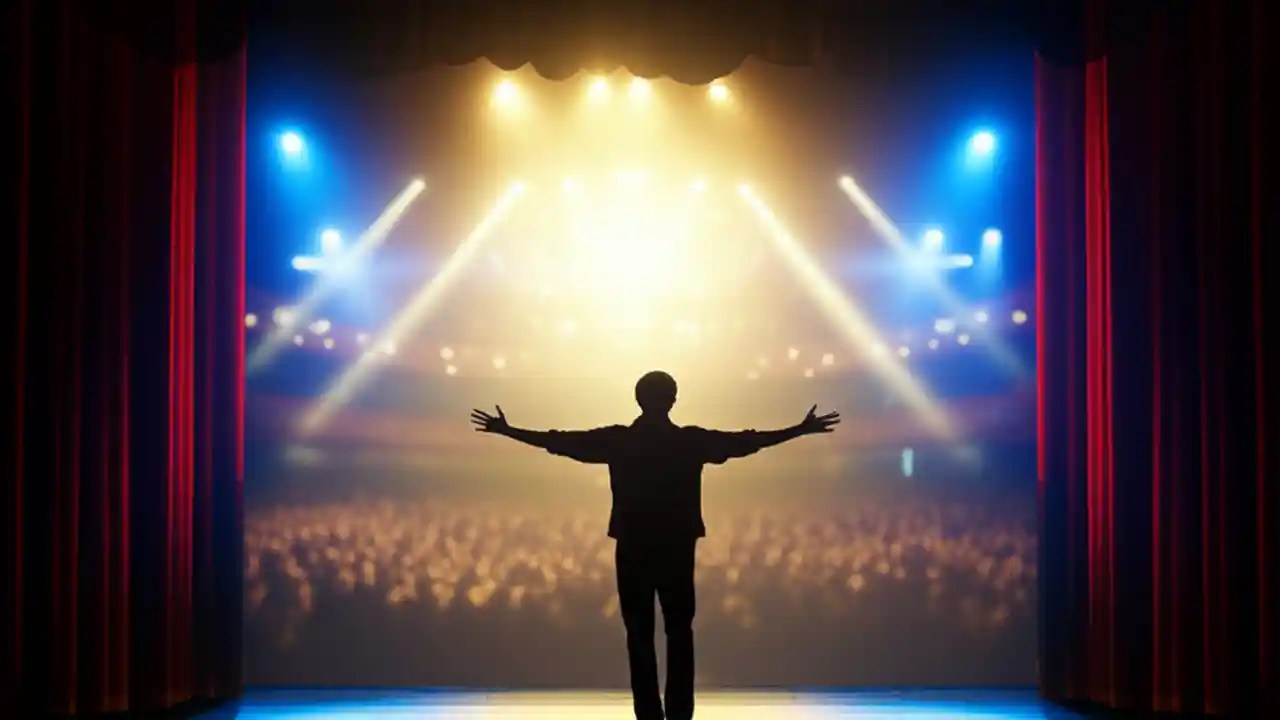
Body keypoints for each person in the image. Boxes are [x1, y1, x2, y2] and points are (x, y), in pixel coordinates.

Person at [470, 370, 839, 720]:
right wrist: (799, 430)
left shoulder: (620, 440)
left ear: (638, 399)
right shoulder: (689, 441)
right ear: (673, 399)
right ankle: (679, 714)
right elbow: (746, 441)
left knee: (638, 633)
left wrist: (508, 431)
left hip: (633, 546)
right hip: (677, 547)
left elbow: (562, 442)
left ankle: (648, 714)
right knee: (679, 631)